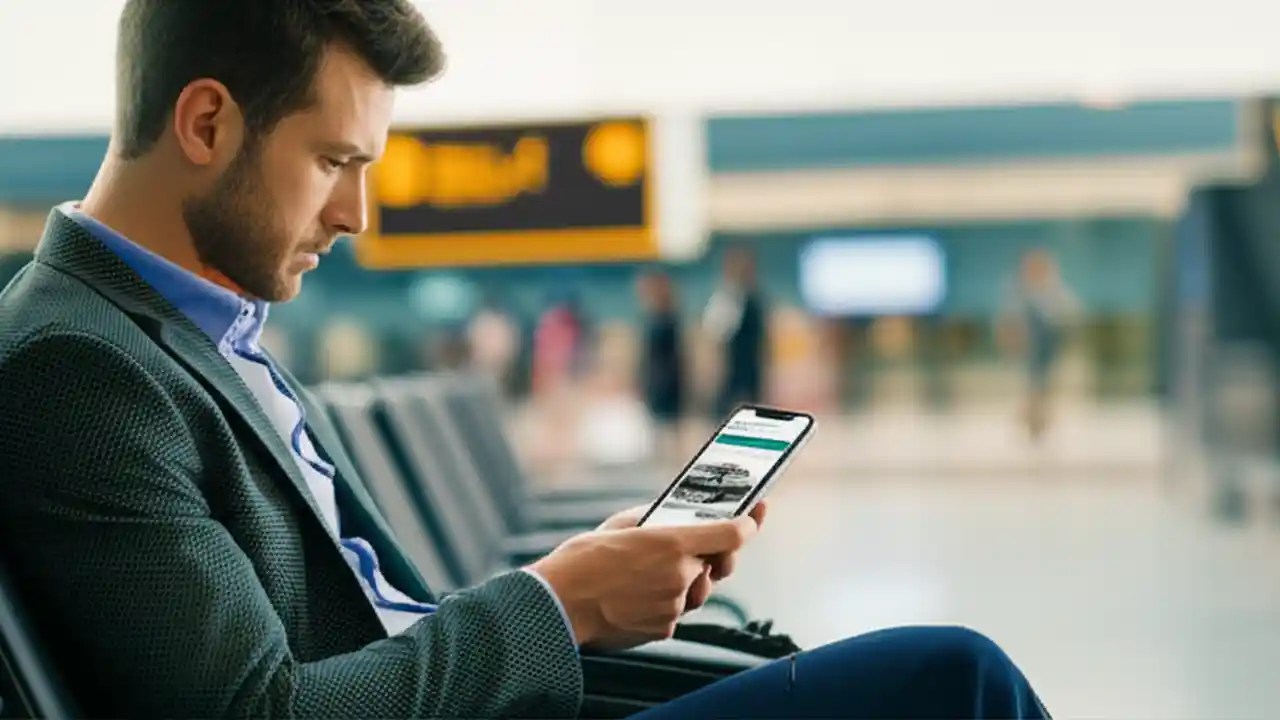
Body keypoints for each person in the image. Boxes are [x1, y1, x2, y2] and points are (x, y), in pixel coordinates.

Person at [0, 2, 1050, 717]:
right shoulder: (75, 370)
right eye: (332, 161)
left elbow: (376, 626)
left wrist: (583, 582)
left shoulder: (191, 337)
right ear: (205, 121)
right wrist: (561, 602)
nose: (355, 213)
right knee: (951, 684)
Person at [998, 249, 1082, 442]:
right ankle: (1032, 418)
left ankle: (1039, 418)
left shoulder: (1055, 290)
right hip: (1029, 346)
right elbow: (1010, 319)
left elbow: (1069, 311)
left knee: (1043, 384)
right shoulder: (1018, 291)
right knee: (1032, 383)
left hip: (1048, 344)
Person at [704, 246, 769, 416]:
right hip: (731, 367)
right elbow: (716, 335)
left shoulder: (756, 299)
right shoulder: (724, 299)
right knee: (723, 412)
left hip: (752, 366)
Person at [637, 270, 686, 464]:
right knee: (660, 427)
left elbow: (673, 355)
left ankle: (670, 461)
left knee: (668, 426)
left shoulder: (665, 319)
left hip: (665, 379)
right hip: (659, 378)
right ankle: (663, 460)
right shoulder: (655, 318)